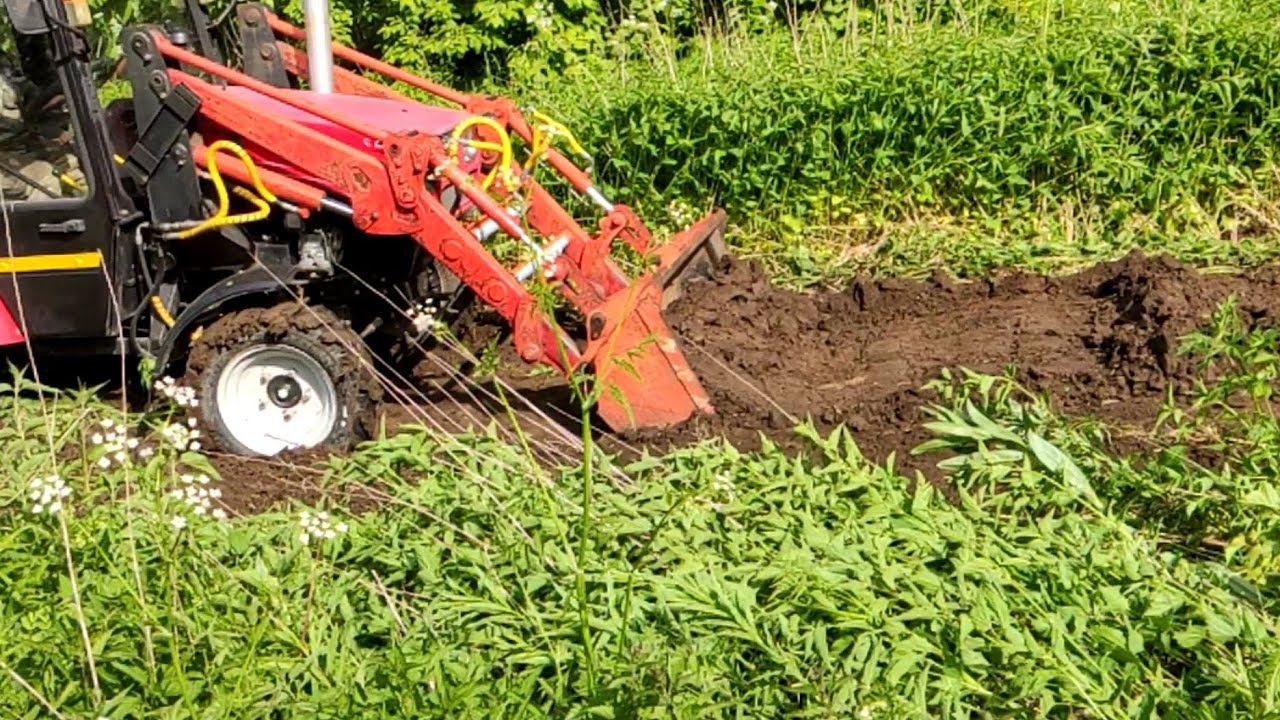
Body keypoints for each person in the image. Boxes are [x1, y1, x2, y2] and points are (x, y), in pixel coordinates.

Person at [0, 37, 85, 201]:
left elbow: (26, 93)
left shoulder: (3, 65)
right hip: (7, 150)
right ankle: (46, 225)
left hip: (18, 146)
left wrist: (49, 103)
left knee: (70, 163)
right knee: (44, 177)